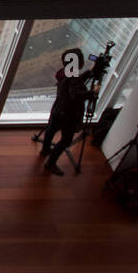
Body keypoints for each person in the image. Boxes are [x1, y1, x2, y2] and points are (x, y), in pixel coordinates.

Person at [41, 49, 95, 177]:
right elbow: (75, 94)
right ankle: (51, 163)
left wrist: (88, 73)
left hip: (58, 109)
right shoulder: (74, 78)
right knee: (66, 140)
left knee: (51, 130)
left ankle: (45, 150)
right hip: (68, 114)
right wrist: (92, 94)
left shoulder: (63, 72)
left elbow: (72, 82)